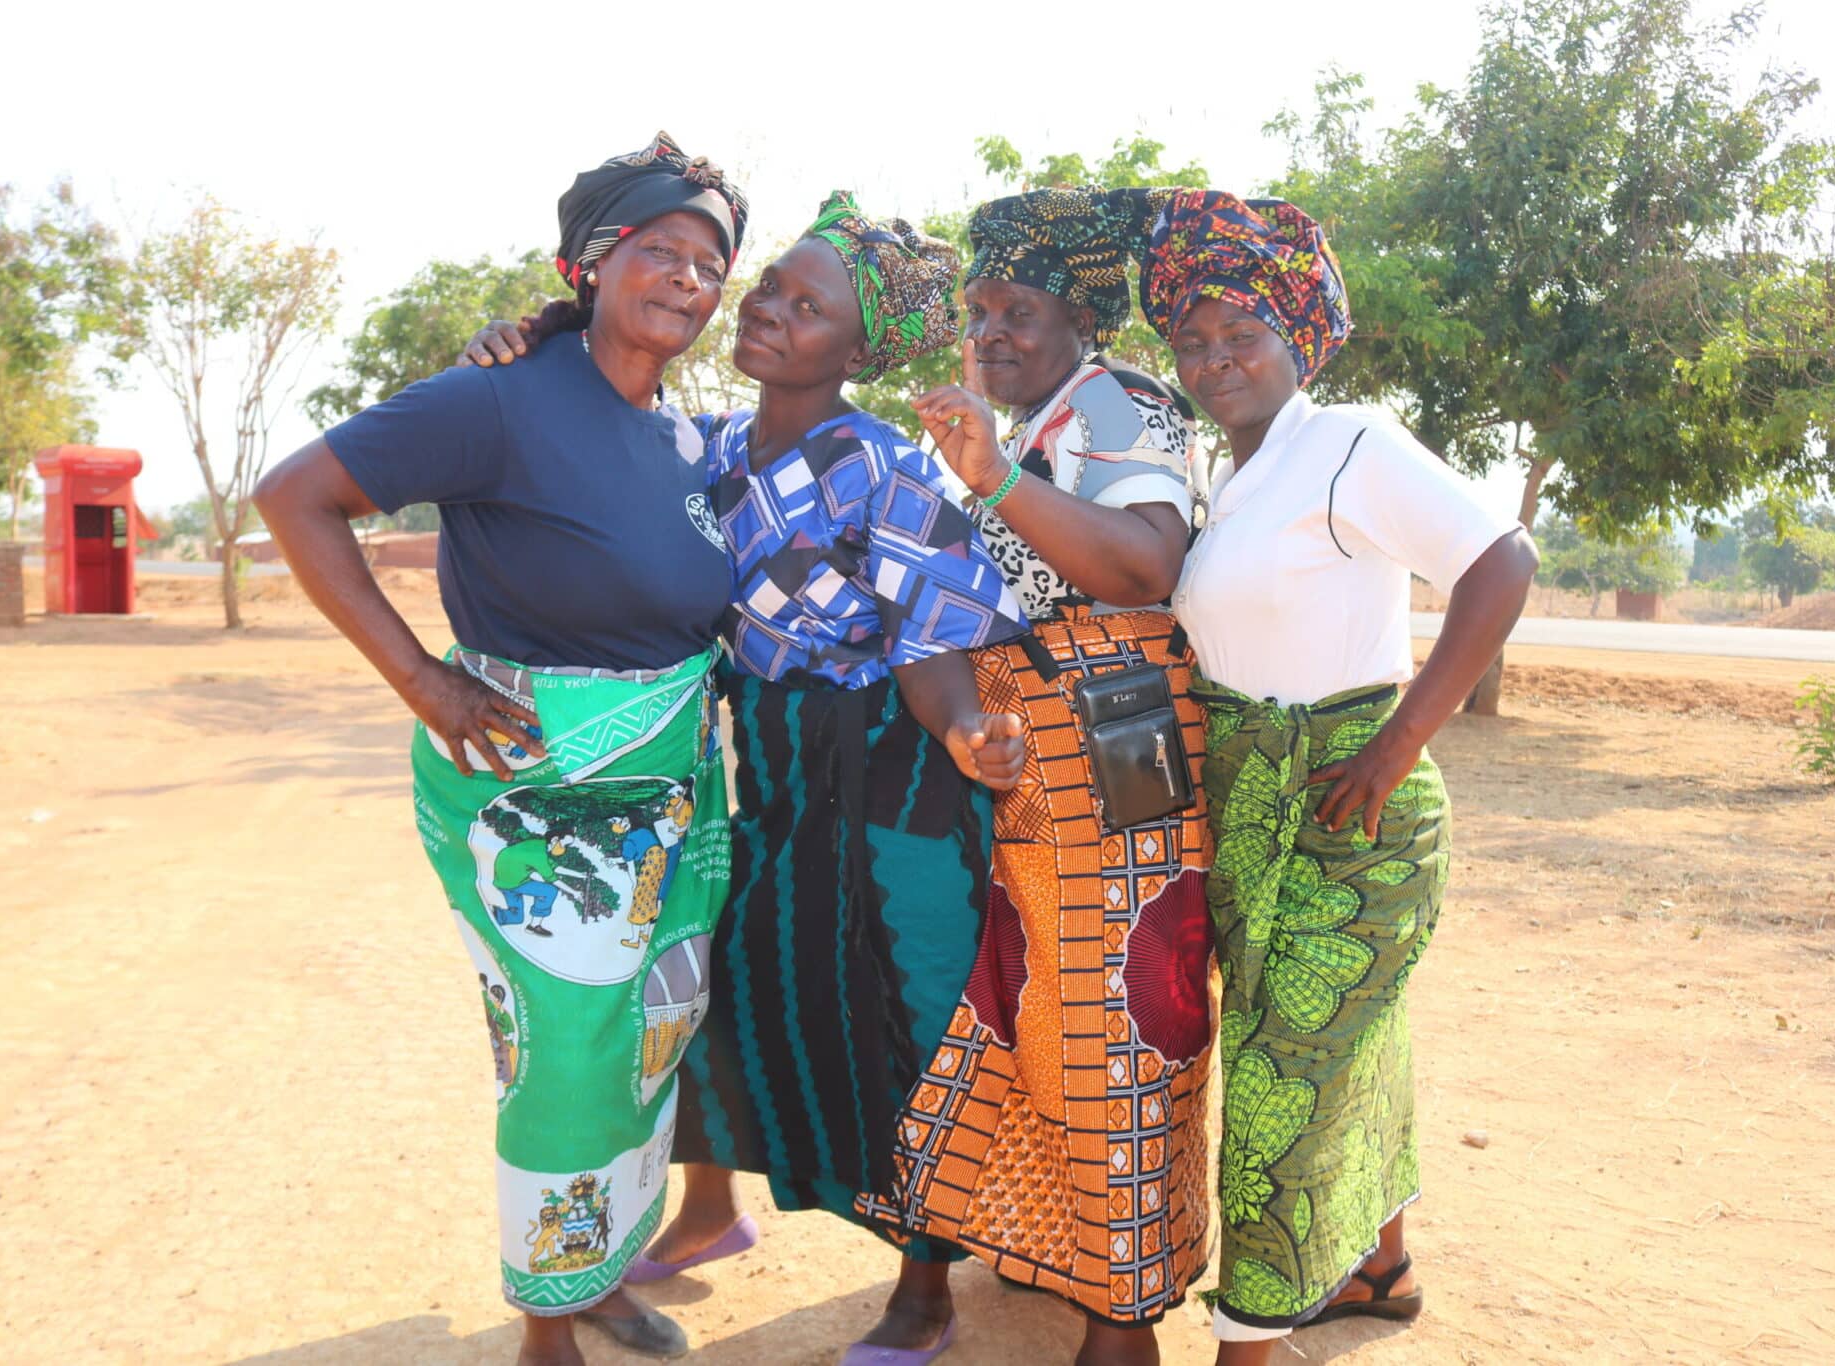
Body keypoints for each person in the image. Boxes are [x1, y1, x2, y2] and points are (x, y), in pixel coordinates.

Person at [461, 192, 1030, 1366]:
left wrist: (970, 729)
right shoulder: (704, 446)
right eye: (768, 286)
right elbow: (601, 382)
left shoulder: (888, 468)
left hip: (890, 775)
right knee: (719, 985)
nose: (767, 311)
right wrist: (537, 327)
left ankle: (924, 1285)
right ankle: (713, 1209)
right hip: (758, 761)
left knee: (908, 1013)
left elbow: (931, 643)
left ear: (859, 350)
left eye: (805, 306)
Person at [254, 132, 749, 1366]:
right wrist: (422, 678)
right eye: (661, 251)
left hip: (672, 793)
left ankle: (597, 1264)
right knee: (564, 1052)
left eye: (709, 263)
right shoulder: (498, 398)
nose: (689, 279)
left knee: (650, 1032)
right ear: (588, 263)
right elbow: (295, 496)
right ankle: (546, 1319)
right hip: (541, 806)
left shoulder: (684, 440)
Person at [1128, 187, 1538, 1361]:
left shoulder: (1348, 439)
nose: (1213, 361)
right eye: (1192, 342)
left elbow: (1497, 561)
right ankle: (1380, 1265)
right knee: (1343, 1045)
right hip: (1247, 806)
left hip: (1350, 802)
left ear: (1295, 337)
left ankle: (1246, 1343)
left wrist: (1400, 739)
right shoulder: (1230, 473)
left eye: (1238, 336)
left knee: (1278, 1079)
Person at [853, 187, 1218, 1366]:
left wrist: (997, 480)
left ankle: (1120, 1323)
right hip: (1012, 759)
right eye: (979, 311)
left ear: (1080, 323)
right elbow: (934, 614)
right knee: (1004, 1011)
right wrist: (966, 723)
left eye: (1020, 309)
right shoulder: (994, 432)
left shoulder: (1118, 403)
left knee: (1118, 1014)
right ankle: (985, 1263)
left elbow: (1143, 564)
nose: (993, 332)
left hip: (1117, 747)